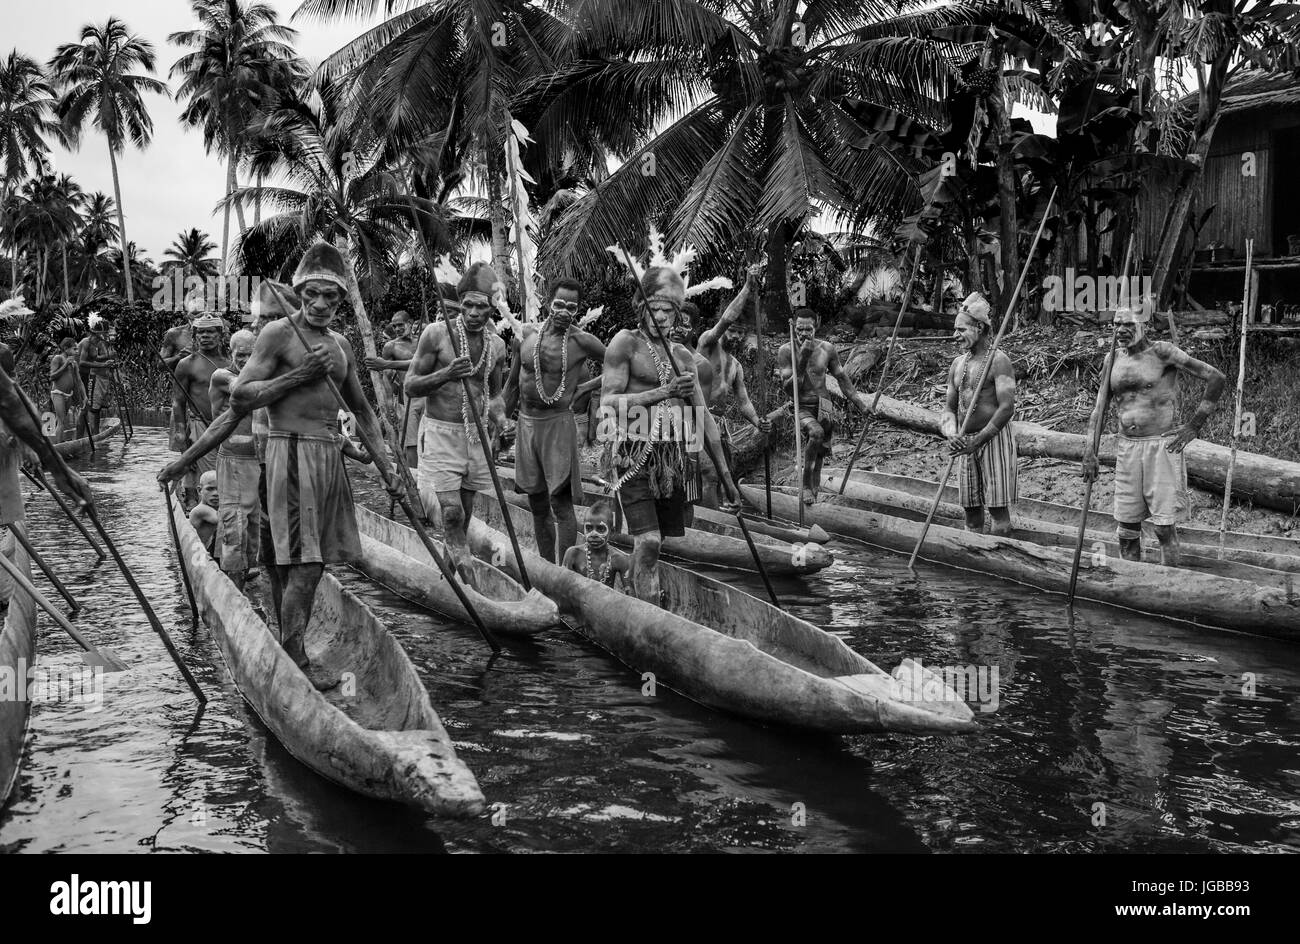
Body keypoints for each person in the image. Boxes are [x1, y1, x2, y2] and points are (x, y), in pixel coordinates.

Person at [161, 242, 387, 680]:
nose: (321, 304)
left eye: (331, 297)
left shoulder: (340, 344)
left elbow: (362, 408)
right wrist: (301, 375)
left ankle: (288, 643)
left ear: (341, 300)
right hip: (290, 451)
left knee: (294, 561)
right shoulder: (278, 334)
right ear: (300, 294)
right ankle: (295, 657)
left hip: (328, 457)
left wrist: (385, 464)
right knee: (306, 563)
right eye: (312, 295)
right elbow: (242, 396)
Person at [600, 255, 740, 604]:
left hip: (670, 459)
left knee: (658, 542)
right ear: (641, 307)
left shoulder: (683, 357)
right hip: (631, 453)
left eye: (669, 311)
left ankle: (628, 573)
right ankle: (646, 615)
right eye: (655, 308)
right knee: (649, 542)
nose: (661, 317)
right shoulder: (625, 343)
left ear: (678, 314)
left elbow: (703, 418)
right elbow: (608, 402)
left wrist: (726, 479)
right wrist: (663, 392)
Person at [1082, 301, 1226, 566]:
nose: (1121, 330)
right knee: (1126, 531)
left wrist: (1194, 425)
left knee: (1162, 528)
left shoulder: (1162, 353)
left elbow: (1216, 377)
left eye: (1128, 324)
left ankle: (1168, 585)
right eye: (1116, 325)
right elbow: (1100, 407)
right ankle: (1132, 582)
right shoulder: (1112, 358)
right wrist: (1090, 451)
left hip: (1161, 447)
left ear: (1143, 325)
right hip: (1127, 448)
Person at [406, 263, 509, 573]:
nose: (474, 312)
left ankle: (449, 576)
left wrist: (503, 421)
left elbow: (494, 396)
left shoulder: (498, 346)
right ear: (460, 302)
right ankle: (469, 582)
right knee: (451, 514)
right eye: (468, 305)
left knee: (463, 513)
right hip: (440, 433)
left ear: (493, 308)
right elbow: (411, 385)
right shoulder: (437, 335)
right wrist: (446, 373)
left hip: (475, 438)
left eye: (482, 306)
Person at [503, 277, 605, 563]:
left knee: (560, 505)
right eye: (559, 304)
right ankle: (547, 567)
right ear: (548, 302)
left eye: (572, 307)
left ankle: (565, 572)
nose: (564, 311)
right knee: (536, 503)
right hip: (526, 425)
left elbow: (620, 364)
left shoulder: (581, 341)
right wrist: (498, 421)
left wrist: (587, 386)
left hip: (558, 426)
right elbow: (512, 385)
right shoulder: (525, 335)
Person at [0, 352, 95, 609]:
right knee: (54, 420)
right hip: (53, 400)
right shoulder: (57, 358)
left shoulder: (72, 357)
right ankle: (54, 445)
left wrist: (48, 460)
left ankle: (55, 446)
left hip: (18, 429)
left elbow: (10, 402)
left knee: (59, 424)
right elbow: (50, 378)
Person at [777, 308, 873, 505]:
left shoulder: (827, 349)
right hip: (801, 405)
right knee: (816, 434)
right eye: (799, 329)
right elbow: (788, 389)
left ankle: (815, 493)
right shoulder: (786, 351)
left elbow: (842, 379)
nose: (803, 334)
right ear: (793, 327)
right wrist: (802, 358)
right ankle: (804, 486)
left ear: (816, 326)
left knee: (819, 453)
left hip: (824, 406)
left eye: (808, 329)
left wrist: (862, 406)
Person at [940, 292, 1018, 536]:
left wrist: (979, 440)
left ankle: (1000, 562)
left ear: (980, 327)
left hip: (992, 440)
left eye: (961, 330)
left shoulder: (999, 361)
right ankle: (974, 557)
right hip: (965, 441)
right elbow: (948, 409)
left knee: (998, 513)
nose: (956, 336)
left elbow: (1007, 407)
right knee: (972, 514)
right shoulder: (957, 364)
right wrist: (951, 434)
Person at [693, 265, 771, 508]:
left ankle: (713, 517)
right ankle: (706, 522)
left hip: (718, 425)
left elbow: (744, 403)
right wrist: (748, 287)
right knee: (708, 474)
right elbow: (726, 320)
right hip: (694, 418)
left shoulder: (736, 366)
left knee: (716, 477)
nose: (736, 337)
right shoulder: (707, 343)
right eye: (734, 331)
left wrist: (759, 422)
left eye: (741, 333)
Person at [208, 329, 261, 587]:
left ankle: (247, 574)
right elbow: (241, 391)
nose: (245, 360)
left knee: (254, 527)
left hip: (258, 461)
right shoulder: (222, 376)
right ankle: (234, 590)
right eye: (241, 355)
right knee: (235, 527)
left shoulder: (261, 375)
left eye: (251, 354)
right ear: (231, 353)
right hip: (233, 461)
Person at [170, 313, 231, 509]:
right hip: (200, 425)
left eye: (210, 331)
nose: (205, 336)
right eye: (201, 332)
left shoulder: (231, 361)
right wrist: (180, 432)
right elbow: (178, 402)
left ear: (220, 334)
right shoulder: (186, 364)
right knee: (210, 476)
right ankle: (204, 509)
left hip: (228, 425)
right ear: (195, 336)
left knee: (229, 471)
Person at [364, 308, 423, 468]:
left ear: (410, 323)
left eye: (400, 325)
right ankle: (413, 475)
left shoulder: (423, 341)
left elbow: (422, 364)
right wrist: (389, 404)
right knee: (410, 442)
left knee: (428, 439)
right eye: (394, 326)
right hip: (408, 398)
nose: (397, 329)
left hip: (429, 394)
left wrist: (386, 364)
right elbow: (386, 377)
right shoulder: (391, 347)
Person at [562, 499, 630, 591]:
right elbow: (562, 588)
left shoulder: (618, 559)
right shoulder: (573, 554)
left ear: (611, 531)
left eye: (600, 529)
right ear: (584, 529)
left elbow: (630, 596)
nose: (594, 534)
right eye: (589, 528)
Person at [76, 315, 116, 435]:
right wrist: (103, 365)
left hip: (85, 375)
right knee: (85, 408)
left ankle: (92, 435)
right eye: (104, 333)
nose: (105, 335)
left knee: (90, 407)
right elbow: (82, 362)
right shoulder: (87, 342)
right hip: (79, 375)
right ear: (97, 333)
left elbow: (95, 358)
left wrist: (108, 359)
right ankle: (79, 438)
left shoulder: (95, 344)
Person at [48, 337, 85, 441]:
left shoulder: (74, 363)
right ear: (65, 348)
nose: (77, 351)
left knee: (59, 420)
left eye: (77, 349)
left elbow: (79, 381)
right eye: (74, 349)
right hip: (57, 393)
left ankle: (54, 441)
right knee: (61, 421)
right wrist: (65, 365)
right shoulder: (58, 358)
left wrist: (84, 397)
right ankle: (60, 447)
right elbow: (52, 377)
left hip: (68, 394)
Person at [189, 469, 221, 558]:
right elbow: (223, 520)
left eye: (221, 489)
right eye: (210, 489)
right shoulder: (201, 510)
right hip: (198, 556)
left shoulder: (217, 508)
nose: (216, 493)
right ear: (199, 490)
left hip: (207, 552)